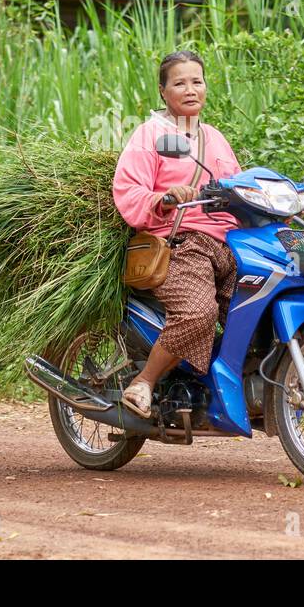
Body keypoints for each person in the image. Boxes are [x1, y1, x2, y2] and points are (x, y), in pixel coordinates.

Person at [110, 50, 246, 419]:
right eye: (180, 83)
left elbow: (239, 187)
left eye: (197, 81)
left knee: (256, 304)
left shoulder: (215, 137)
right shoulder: (151, 135)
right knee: (199, 313)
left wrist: (289, 200)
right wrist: (165, 198)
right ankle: (144, 382)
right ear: (163, 91)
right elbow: (127, 190)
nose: (190, 89)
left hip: (227, 247)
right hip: (178, 245)